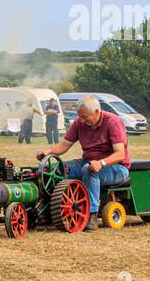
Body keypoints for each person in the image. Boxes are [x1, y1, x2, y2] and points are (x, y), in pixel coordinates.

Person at [36, 94, 130, 230]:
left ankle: (91, 215)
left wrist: (101, 163)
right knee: (55, 169)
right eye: (80, 117)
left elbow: (120, 154)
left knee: (89, 169)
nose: (83, 121)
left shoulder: (113, 122)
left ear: (97, 112)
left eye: (85, 117)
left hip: (116, 167)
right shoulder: (79, 123)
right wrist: (47, 152)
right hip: (88, 161)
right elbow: (63, 146)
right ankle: (48, 211)